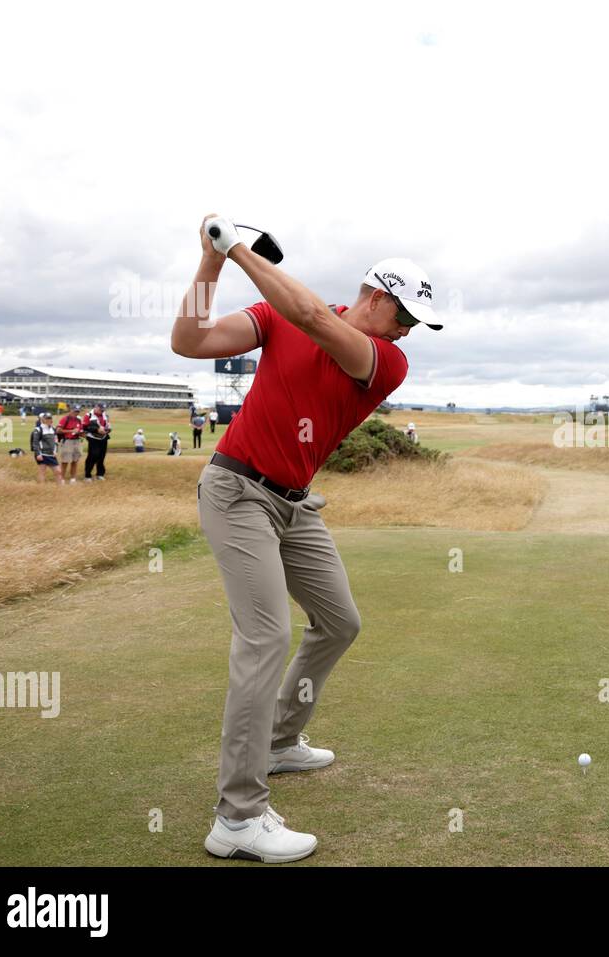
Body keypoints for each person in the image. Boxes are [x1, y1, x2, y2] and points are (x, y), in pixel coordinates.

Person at [172, 213, 440, 862]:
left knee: (340, 621)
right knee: (265, 636)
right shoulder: (275, 314)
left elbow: (317, 320)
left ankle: (280, 740)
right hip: (236, 492)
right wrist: (211, 260)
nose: (408, 331)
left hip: (294, 504)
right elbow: (189, 340)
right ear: (376, 296)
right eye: (404, 314)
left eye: (414, 325)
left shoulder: (386, 361)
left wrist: (235, 247)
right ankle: (237, 816)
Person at [29, 412, 65, 486]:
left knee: (58, 471)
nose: (49, 420)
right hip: (42, 454)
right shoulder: (38, 430)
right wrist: (38, 454)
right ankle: (41, 488)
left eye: (50, 418)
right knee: (42, 471)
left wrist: (55, 451)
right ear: (43, 420)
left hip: (51, 454)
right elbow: (35, 443)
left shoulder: (53, 429)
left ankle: (60, 488)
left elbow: (55, 441)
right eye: (47, 418)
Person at [56, 404, 85, 484]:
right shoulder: (65, 419)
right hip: (67, 441)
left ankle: (73, 479)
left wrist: (84, 434)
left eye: (78, 411)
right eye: (75, 411)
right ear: (71, 410)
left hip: (77, 441)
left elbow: (80, 431)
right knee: (65, 461)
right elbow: (58, 430)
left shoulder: (78, 420)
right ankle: (61, 479)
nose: (76, 413)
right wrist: (71, 431)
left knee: (75, 461)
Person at [82, 403, 111, 481]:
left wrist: (106, 430)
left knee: (101, 456)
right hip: (93, 438)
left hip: (103, 438)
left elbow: (109, 427)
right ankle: (87, 475)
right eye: (100, 410)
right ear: (96, 407)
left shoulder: (106, 415)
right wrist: (96, 429)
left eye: (103, 410)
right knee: (93, 455)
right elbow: (85, 427)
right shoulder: (88, 415)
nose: (102, 411)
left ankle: (100, 474)